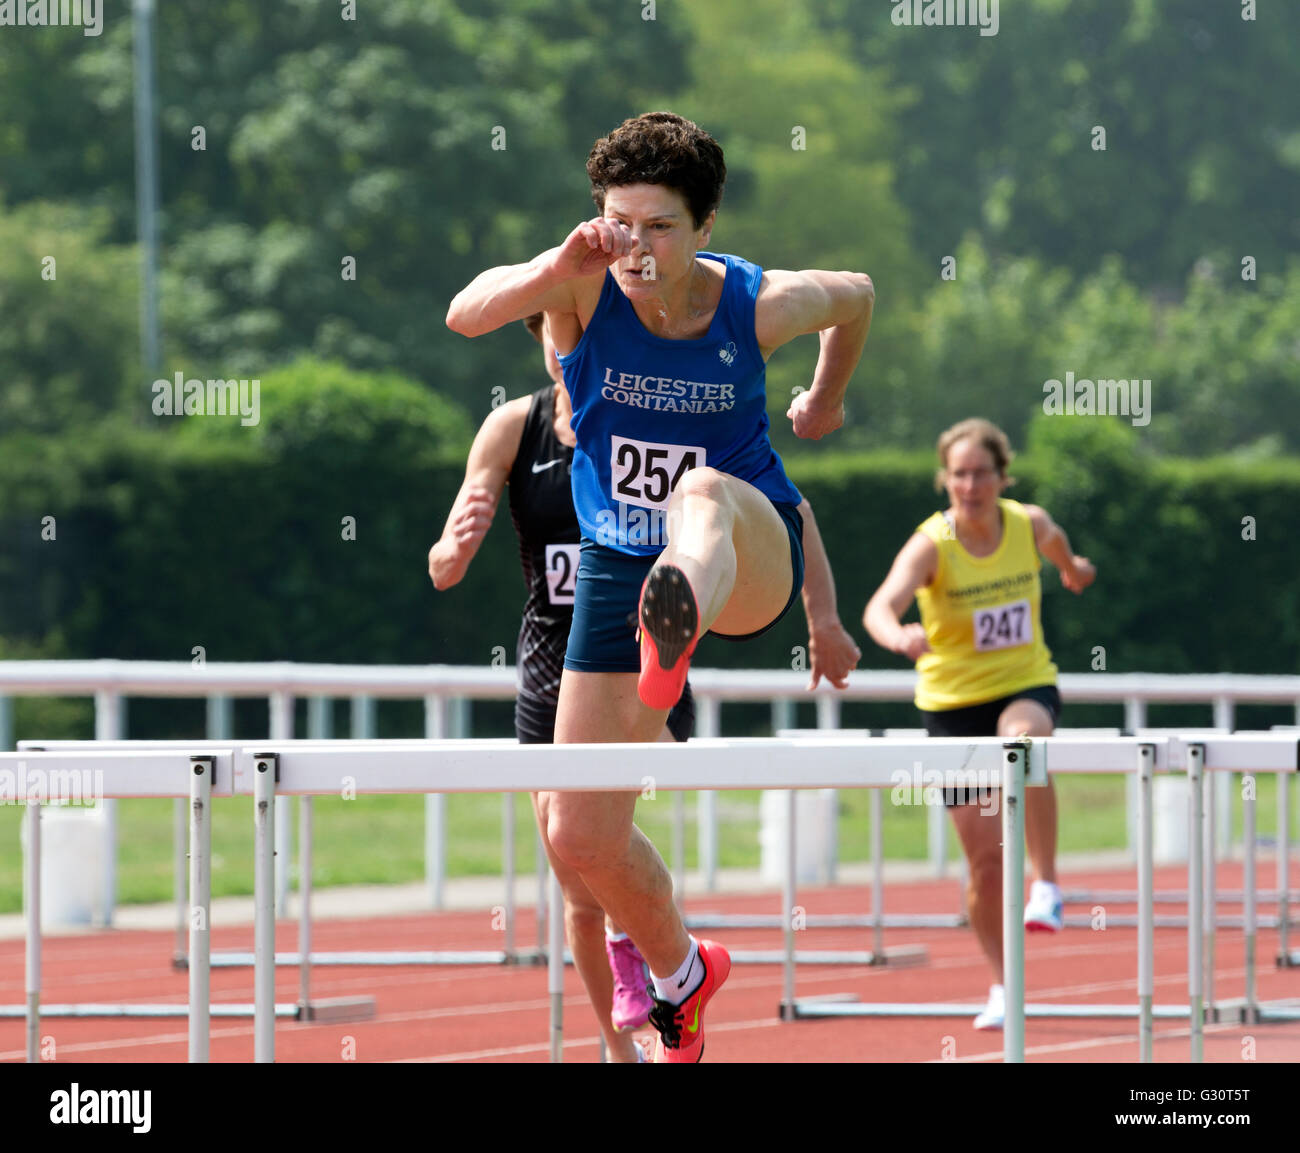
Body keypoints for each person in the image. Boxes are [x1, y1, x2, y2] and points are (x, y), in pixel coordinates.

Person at [447, 111, 875, 1060]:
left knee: (701, 491)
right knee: (577, 833)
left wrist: (826, 398)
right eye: (618, 221)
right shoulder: (581, 278)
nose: (635, 248)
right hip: (616, 567)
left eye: (660, 227)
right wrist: (555, 262)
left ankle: (673, 613)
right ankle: (684, 972)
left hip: (742, 556)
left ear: (707, 227)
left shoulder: (755, 306)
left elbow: (859, 295)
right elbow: (466, 311)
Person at [862, 417, 1096, 1030]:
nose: (970, 486)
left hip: (1023, 683)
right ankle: (1002, 983)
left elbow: (1061, 549)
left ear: (1002, 476)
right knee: (986, 864)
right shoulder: (931, 545)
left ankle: (1046, 883)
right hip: (951, 708)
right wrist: (899, 635)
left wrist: (1073, 570)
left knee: (1023, 743)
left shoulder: (1029, 524)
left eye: (981, 473)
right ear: (946, 480)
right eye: (959, 475)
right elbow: (879, 606)